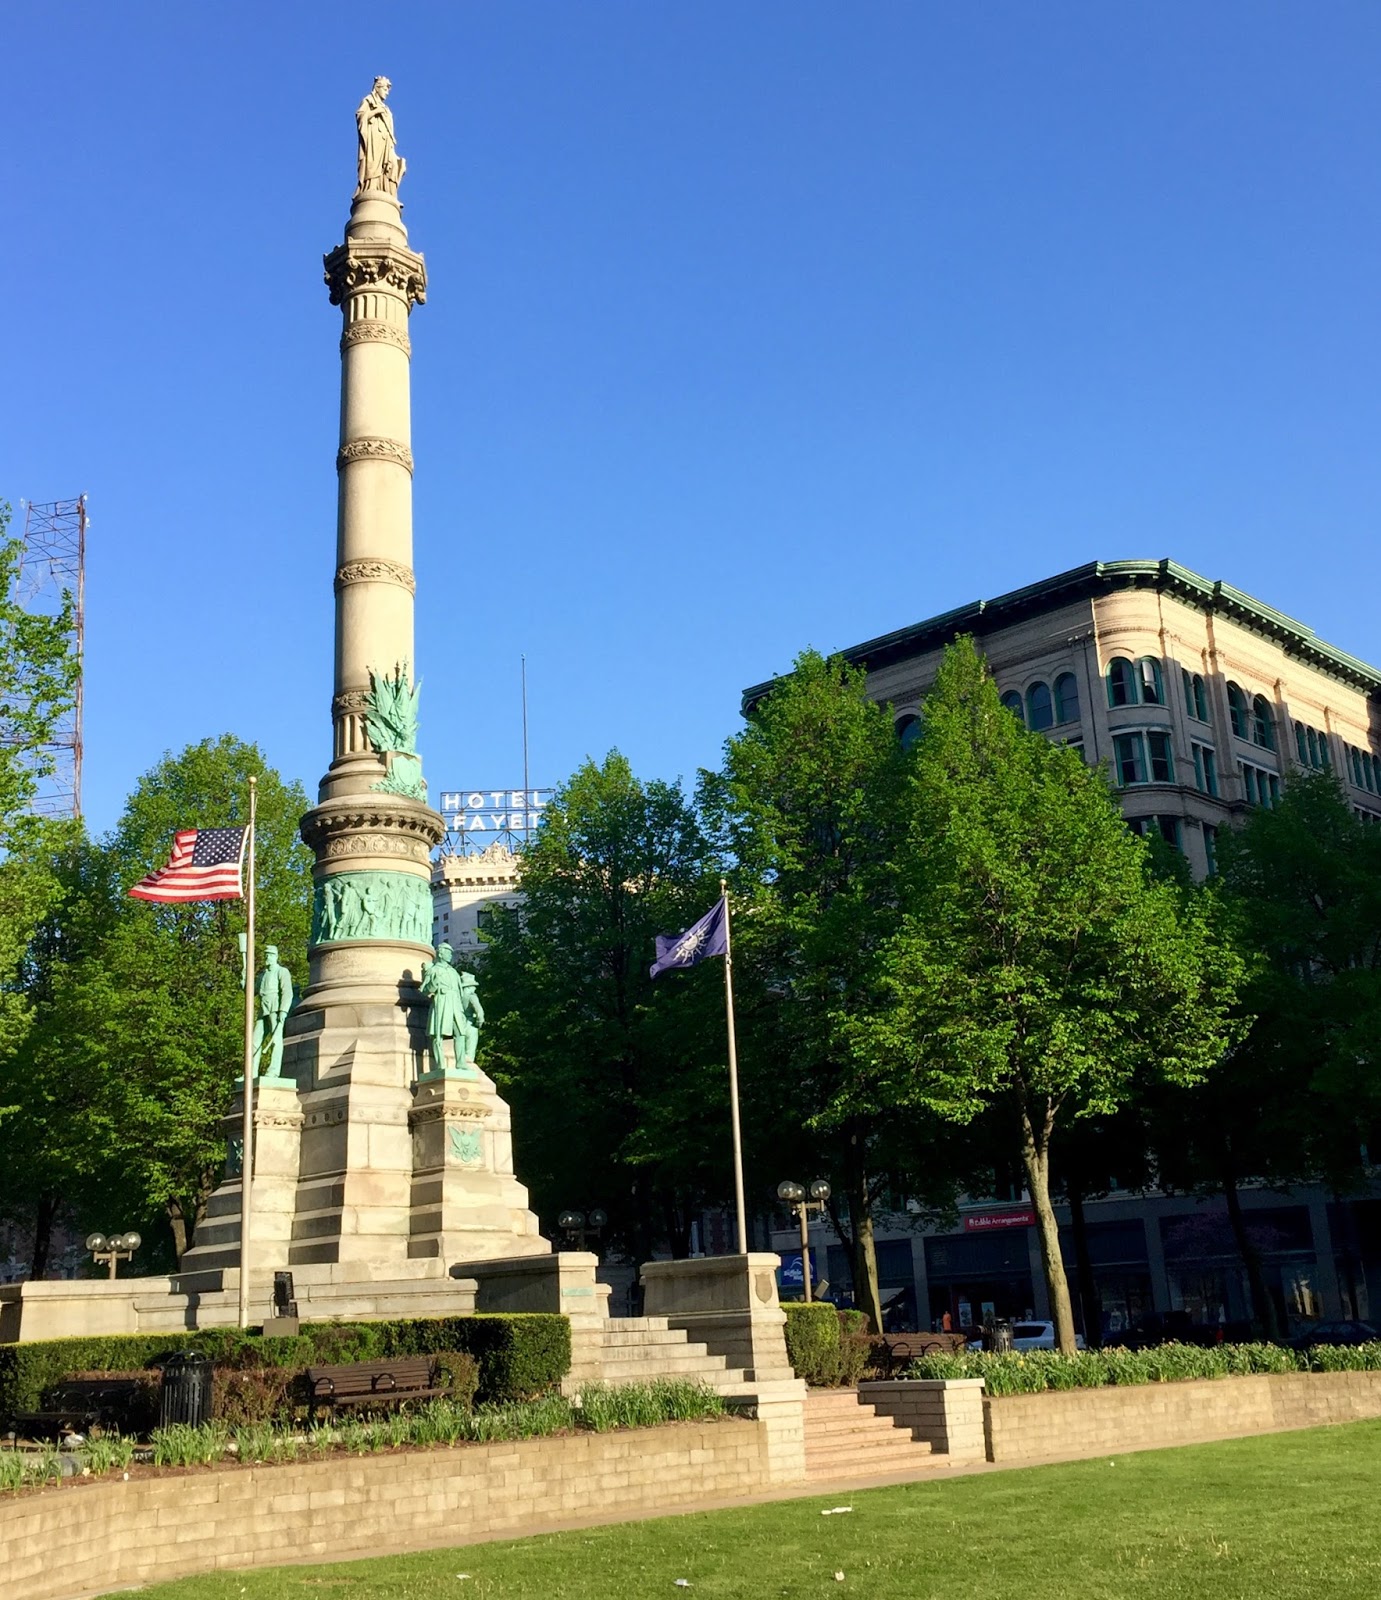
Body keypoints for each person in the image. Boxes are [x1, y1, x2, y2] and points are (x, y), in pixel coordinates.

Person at [356, 77, 406, 196]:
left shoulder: (387, 109)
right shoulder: (368, 100)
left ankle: (389, 193)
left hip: (386, 141)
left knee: (395, 164)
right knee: (373, 164)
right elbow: (360, 116)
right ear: (377, 88)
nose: (387, 92)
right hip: (374, 139)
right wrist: (375, 111)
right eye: (385, 89)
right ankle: (371, 187)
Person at [253, 946, 294, 1078]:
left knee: (276, 1040)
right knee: (254, 1041)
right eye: (266, 955)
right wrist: (244, 981)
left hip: (275, 1008)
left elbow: (287, 992)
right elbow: (252, 991)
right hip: (263, 1009)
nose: (267, 958)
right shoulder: (262, 975)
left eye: (270, 955)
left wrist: (283, 1011)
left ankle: (273, 1071)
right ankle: (251, 1072)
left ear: (275, 956)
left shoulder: (282, 971)